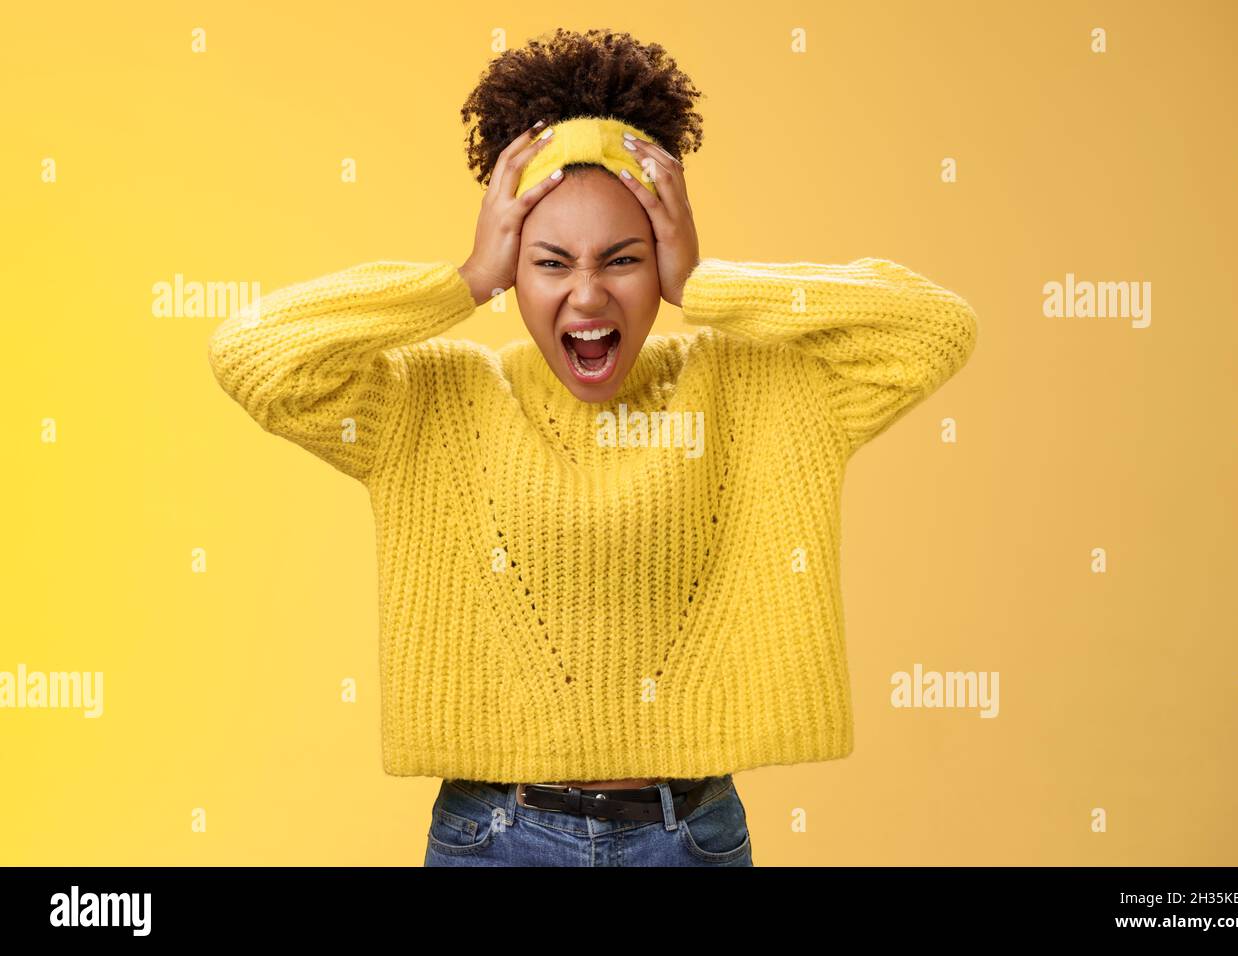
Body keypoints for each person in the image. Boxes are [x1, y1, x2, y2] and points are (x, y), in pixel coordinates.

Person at [207, 27, 978, 867]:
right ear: (515, 273)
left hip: (688, 838)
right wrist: (461, 281)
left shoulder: (752, 390)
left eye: (624, 259)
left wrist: (705, 284)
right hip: (493, 838)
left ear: (660, 266)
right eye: (549, 262)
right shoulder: (430, 404)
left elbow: (932, 329)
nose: (586, 293)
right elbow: (255, 353)